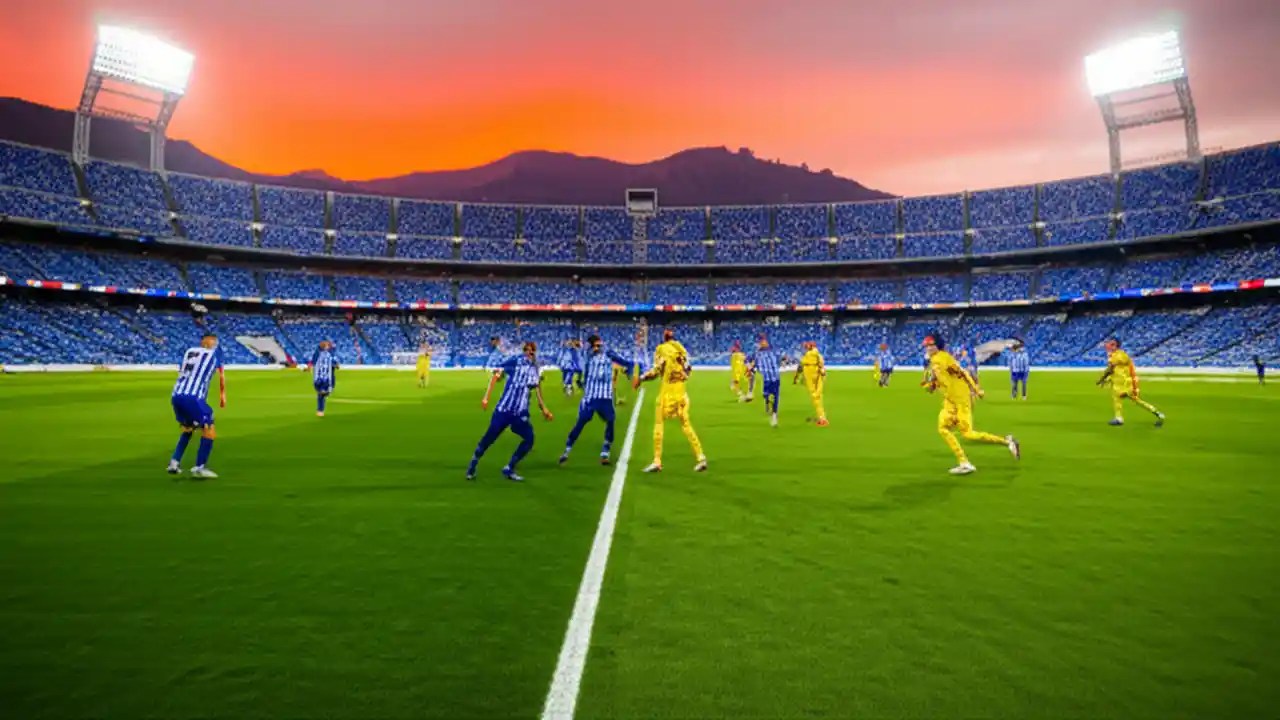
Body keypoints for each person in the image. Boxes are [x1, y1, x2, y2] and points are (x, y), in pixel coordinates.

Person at [923, 334, 1020, 475]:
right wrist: (931, 385)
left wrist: (976, 389)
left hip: (961, 400)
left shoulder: (944, 359)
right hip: (950, 401)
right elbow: (938, 382)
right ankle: (964, 462)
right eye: (926, 345)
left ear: (938, 345)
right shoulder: (934, 361)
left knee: (967, 433)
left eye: (931, 345)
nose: (928, 348)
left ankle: (1007, 442)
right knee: (943, 428)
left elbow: (963, 373)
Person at [467, 341, 553, 482]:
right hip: (504, 410)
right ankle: (473, 464)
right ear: (524, 351)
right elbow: (496, 376)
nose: (530, 353)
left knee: (529, 438)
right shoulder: (515, 361)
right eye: (528, 350)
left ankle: (509, 468)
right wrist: (486, 397)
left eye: (532, 351)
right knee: (489, 438)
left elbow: (537, 388)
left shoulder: (535, 368)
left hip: (520, 413)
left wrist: (544, 408)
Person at [635, 329, 707, 472]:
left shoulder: (661, 349)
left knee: (659, 423)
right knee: (686, 425)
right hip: (682, 392)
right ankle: (701, 457)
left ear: (664, 338)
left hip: (667, 393)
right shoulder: (682, 350)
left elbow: (656, 370)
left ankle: (657, 461)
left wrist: (642, 378)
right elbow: (688, 370)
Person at [560, 335, 631, 466]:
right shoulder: (587, 357)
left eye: (600, 345)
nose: (599, 348)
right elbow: (580, 367)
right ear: (591, 346)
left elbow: (625, 362)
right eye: (596, 346)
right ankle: (567, 449)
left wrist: (629, 370)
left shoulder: (608, 355)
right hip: (591, 397)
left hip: (605, 397)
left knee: (610, 420)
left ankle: (606, 450)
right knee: (581, 422)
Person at [167, 333, 227, 479]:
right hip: (193, 397)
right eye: (215, 343)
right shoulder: (214, 355)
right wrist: (222, 395)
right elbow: (221, 374)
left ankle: (174, 462)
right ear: (211, 343)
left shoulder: (189, 352)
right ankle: (199, 468)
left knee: (187, 429)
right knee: (209, 430)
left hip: (177, 395)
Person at [1097, 338, 1165, 427]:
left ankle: (1119, 418)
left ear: (1115, 346)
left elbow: (1110, 369)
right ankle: (1157, 413)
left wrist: (1102, 379)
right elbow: (1118, 370)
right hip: (1123, 382)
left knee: (1122, 398)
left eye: (1110, 344)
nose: (1107, 345)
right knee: (1122, 398)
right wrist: (1108, 379)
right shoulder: (1119, 354)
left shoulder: (1117, 356)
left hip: (1124, 384)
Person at [747, 336, 782, 427]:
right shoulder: (757, 353)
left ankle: (774, 415)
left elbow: (780, 359)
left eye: (764, 342)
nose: (763, 343)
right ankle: (767, 402)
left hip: (775, 377)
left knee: (775, 396)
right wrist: (750, 367)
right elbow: (748, 360)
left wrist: (783, 361)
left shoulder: (773, 351)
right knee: (766, 394)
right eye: (761, 342)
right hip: (766, 378)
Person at [794, 341, 829, 426]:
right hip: (816, 375)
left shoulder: (810, 354)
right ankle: (821, 416)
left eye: (807, 345)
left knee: (815, 396)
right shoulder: (816, 355)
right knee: (817, 397)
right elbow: (820, 366)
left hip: (813, 376)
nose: (806, 347)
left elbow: (802, 365)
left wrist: (797, 377)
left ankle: (822, 418)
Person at [310, 340, 338, 417]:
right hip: (323, 376)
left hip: (330, 374)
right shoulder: (319, 354)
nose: (329, 346)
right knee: (321, 394)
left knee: (328, 390)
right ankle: (320, 410)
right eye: (328, 345)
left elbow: (334, 362)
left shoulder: (330, 354)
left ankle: (324, 392)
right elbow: (314, 361)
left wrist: (335, 364)